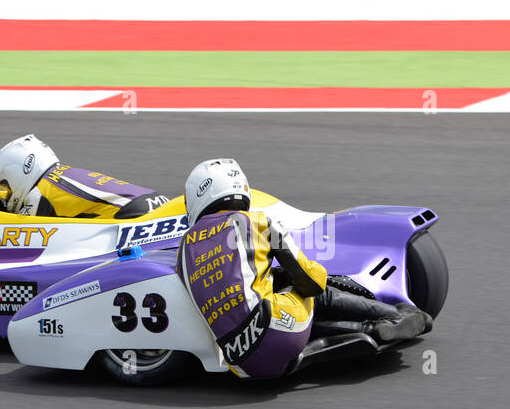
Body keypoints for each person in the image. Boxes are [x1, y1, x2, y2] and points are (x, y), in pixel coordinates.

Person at [176, 158, 429, 380]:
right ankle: (395, 316)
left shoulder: (184, 248)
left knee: (281, 300)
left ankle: (372, 330)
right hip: (279, 331)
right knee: (312, 291)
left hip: (242, 365)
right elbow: (309, 281)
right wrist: (319, 276)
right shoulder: (257, 221)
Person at [0, 134, 168, 219]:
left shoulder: (38, 195)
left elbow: (18, 231)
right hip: (156, 202)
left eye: (4, 188)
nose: (5, 195)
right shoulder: (60, 176)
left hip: (136, 216)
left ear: (20, 170)